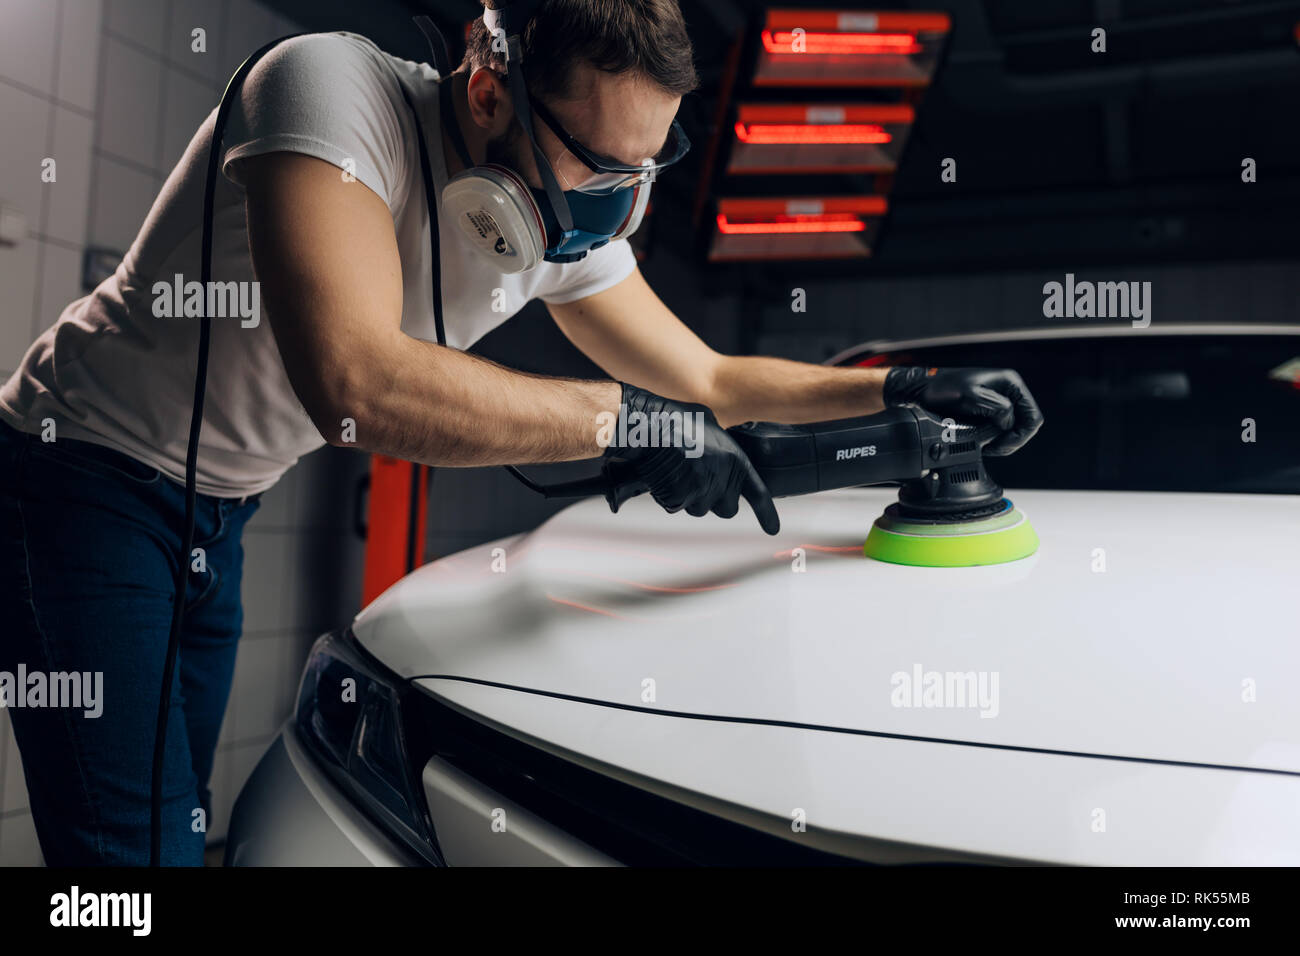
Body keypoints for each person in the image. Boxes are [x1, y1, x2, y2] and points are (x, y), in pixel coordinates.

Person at [0, 0, 1042, 865]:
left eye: (644, 173)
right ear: (490, 90)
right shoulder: (324, 87)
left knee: (173, 827)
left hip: (214, 511)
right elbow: (354, 382)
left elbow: (714, 376)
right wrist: (625, 420)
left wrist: (902, 385)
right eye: (602, 165)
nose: (620, 207)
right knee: (127, 864)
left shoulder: (562, 211)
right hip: (80, 477)